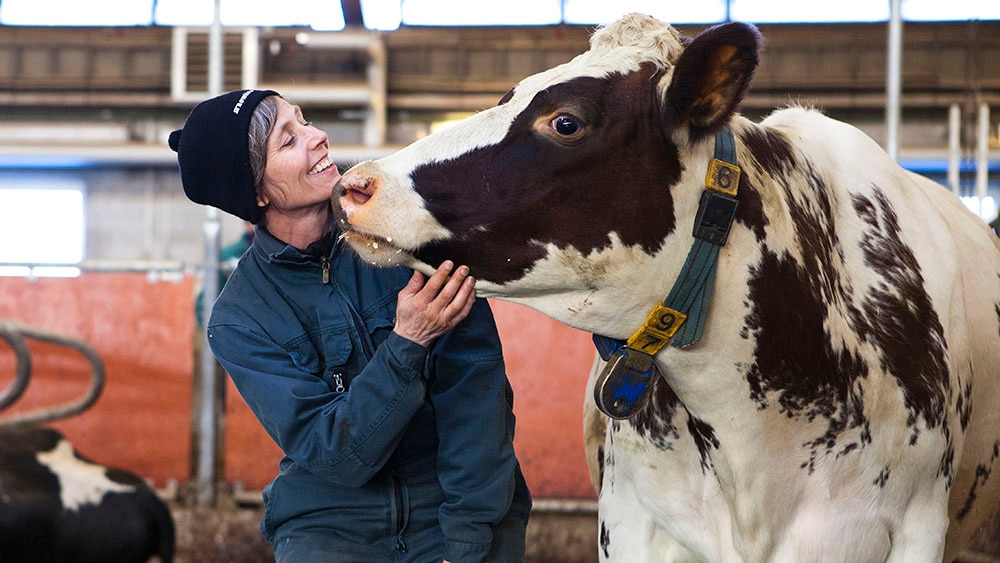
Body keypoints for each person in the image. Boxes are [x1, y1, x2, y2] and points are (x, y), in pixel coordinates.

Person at [168, 89, 531, 563]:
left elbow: (476, 397)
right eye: (288, 140)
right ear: (257, 192)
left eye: (304, 120)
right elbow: (333, 453)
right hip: (329, 522)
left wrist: (467, 539)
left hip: (450, 503)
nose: (318, 136)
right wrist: (407, 342)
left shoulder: (409, 235)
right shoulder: (239, 319)